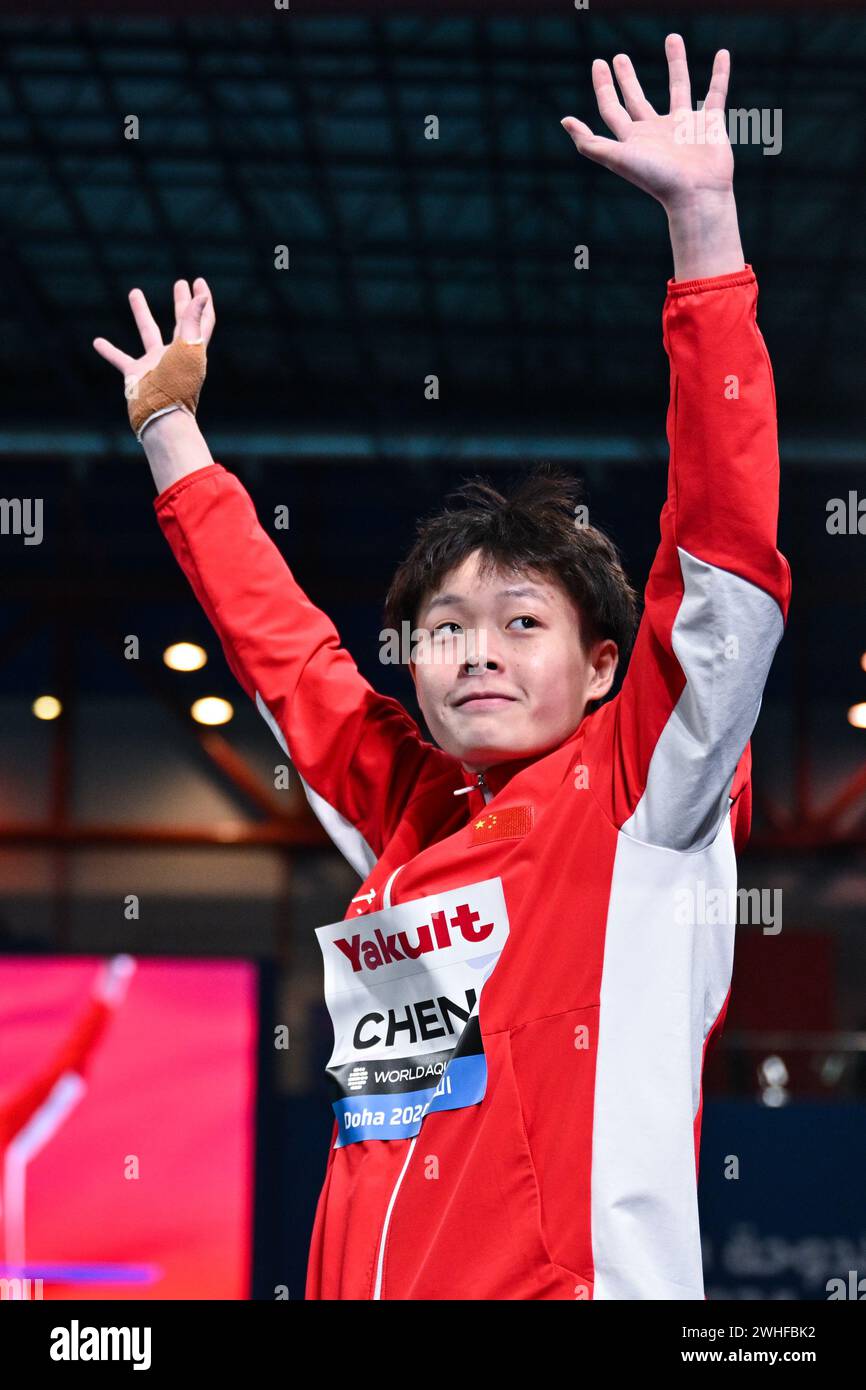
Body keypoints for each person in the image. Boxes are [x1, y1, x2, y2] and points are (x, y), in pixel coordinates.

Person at [93, 35, 791, 1300]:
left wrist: (704, 232)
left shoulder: (647, 804)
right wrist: (168, 431)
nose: (473, 649)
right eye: (445, 626)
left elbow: (721, 561)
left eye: (520, 622)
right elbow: (284, 651)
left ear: (598, 668)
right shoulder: (405, 825)